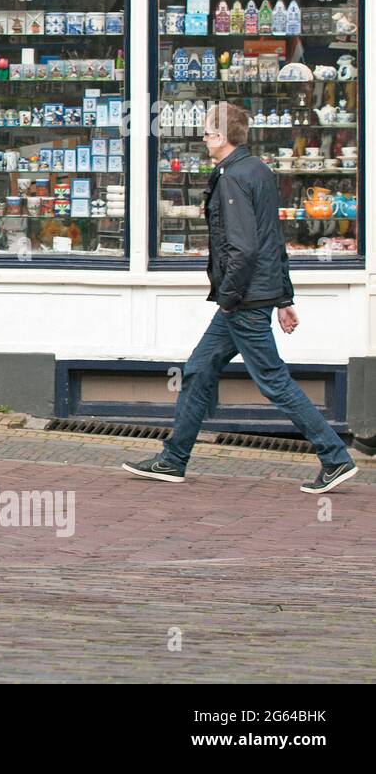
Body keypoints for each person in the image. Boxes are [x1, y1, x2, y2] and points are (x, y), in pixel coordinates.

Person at [123, 102, 358, 494]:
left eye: (208, 133)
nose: (203, 139)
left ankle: (335, 457)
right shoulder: (259, 170)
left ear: (223, 137)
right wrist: (283, 298)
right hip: (251, 297)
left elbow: (245, 249)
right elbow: (272, 241)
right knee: (198, 369)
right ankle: (173, 459)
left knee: (273, 381)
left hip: (242, 300)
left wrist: (230, 299)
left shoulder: (232, 177)